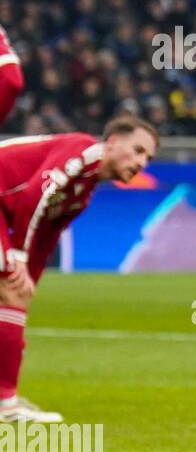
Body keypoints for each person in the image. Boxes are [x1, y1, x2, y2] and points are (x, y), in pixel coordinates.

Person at [0, 115, 159, 423]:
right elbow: (36, 195)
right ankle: (5, 403)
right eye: (138, 150)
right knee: (10, 290)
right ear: (112, 143)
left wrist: (28, 279)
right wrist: (17, 257)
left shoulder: (82, 193)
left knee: (13, 296)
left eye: (148, 158)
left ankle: (6, 398)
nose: (142, 162)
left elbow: (46, 236)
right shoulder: (82, 151)